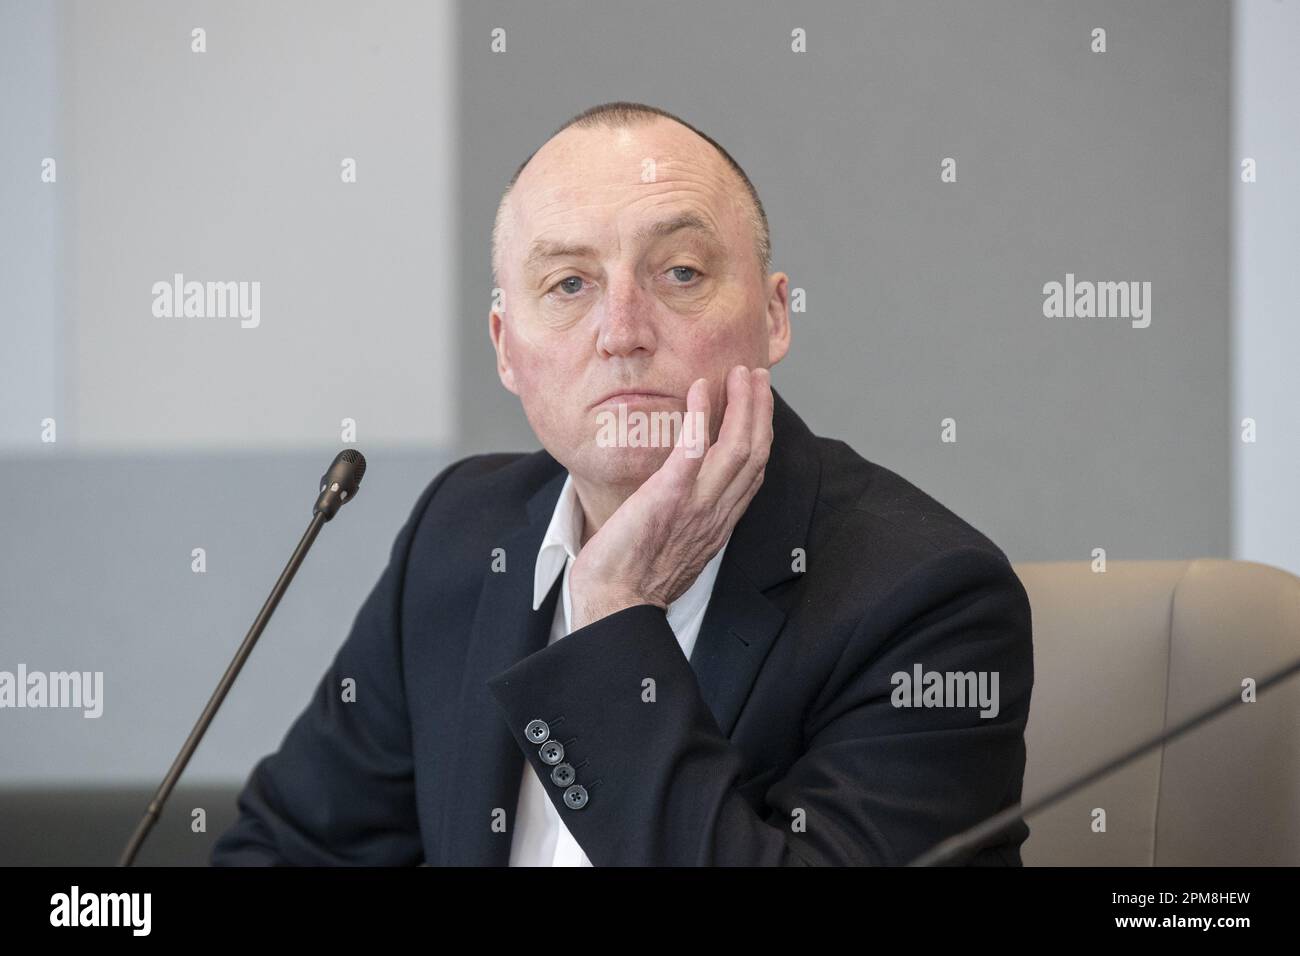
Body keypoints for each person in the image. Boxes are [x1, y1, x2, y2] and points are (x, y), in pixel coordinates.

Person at [210, 101, 1034, 867]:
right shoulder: (460, 535)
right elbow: (284, 853)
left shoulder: (929, 600)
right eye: (569, 284)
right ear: (505, 345)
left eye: (679, 273)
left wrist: (612, 620)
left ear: (775, 316)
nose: (622, 333)